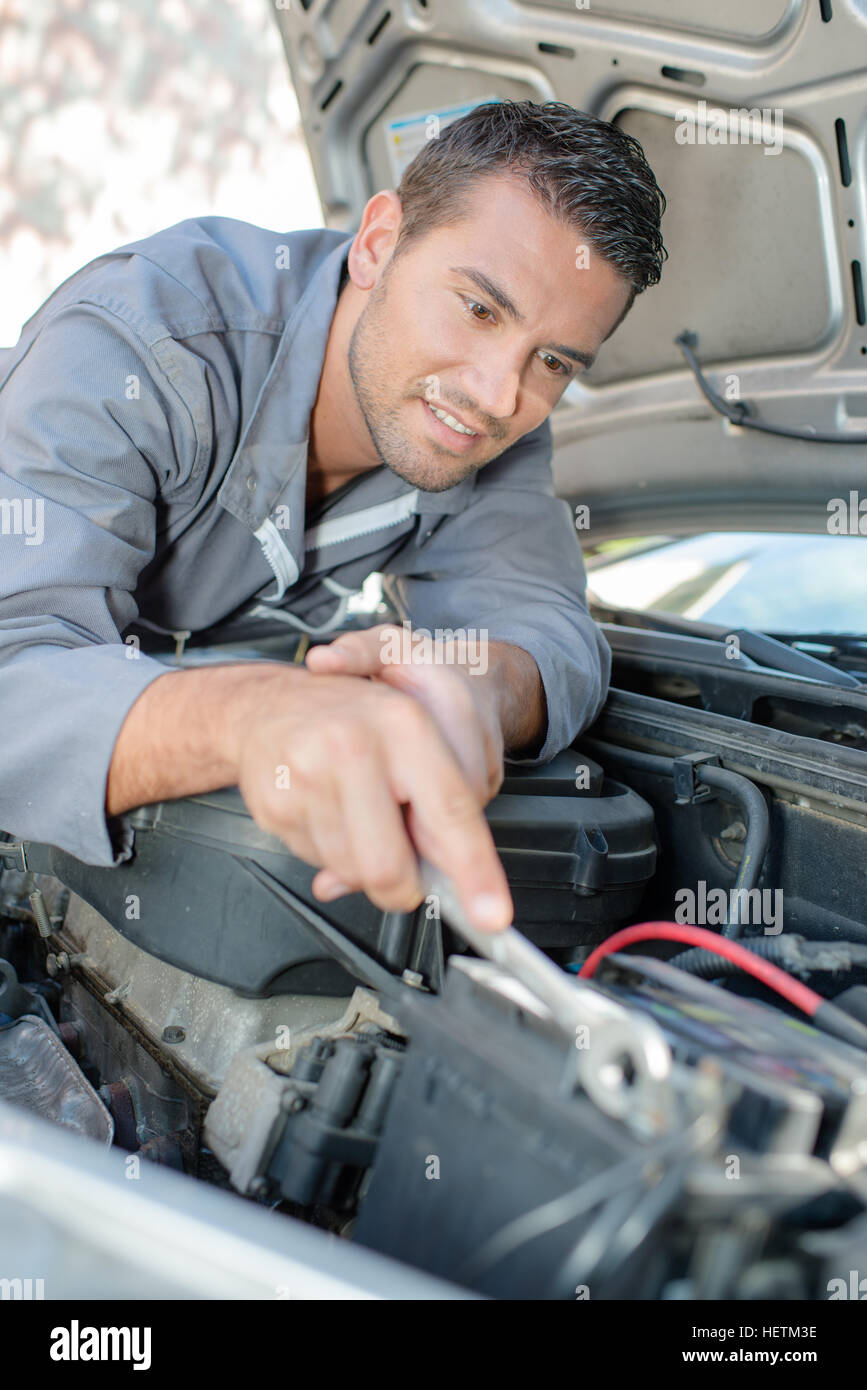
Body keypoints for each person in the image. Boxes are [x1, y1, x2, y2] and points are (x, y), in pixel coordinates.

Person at [0, 100, 665, 932]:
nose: (500, 394)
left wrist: (465, 691)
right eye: (478, 309)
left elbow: (546, 625)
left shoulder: (489, 428)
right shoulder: (145, 339)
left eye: (554, 360)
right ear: (380, 243)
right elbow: (12, 672)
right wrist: (251, 716)